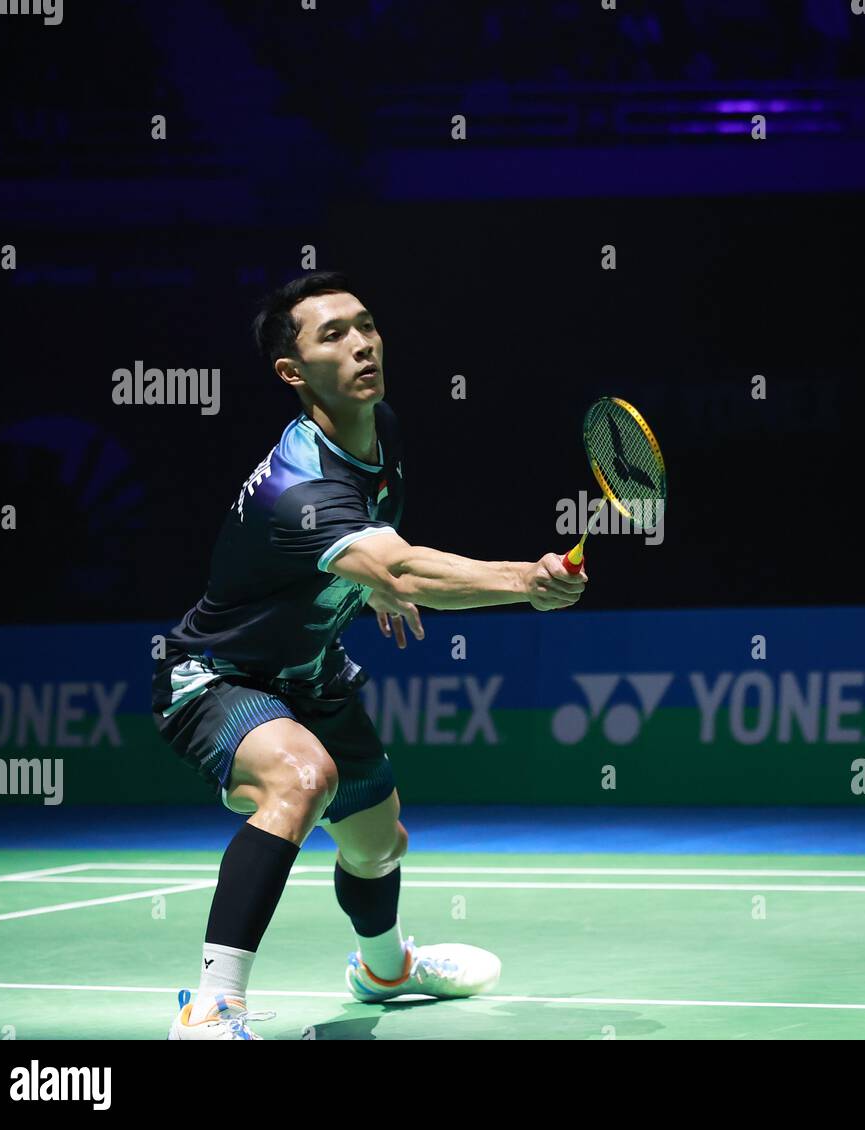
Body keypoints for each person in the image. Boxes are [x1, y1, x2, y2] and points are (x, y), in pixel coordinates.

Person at [152, 271, 587, 1039]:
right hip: (218, 676)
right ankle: (212, 1006)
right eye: (334, 335)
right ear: (293, 373)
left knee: (380, 839)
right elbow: (404, 564)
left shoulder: (378, 428)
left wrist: (367, 584)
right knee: (301, 778)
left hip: (312, 672)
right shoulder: (298, 484)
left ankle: (384, 970)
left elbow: (375, 548)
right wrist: (523, 580)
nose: (361, 343)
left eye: (366, 325)